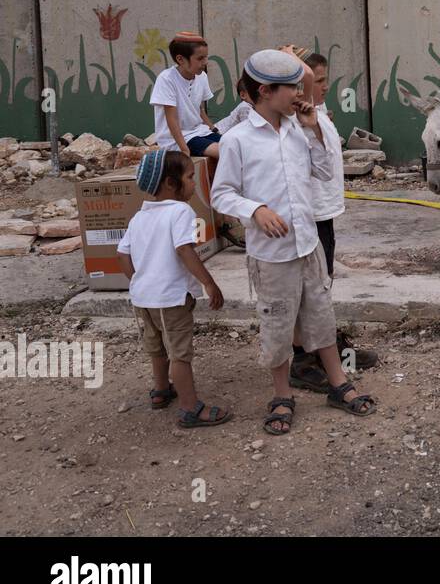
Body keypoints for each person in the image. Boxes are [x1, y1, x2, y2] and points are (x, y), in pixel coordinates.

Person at [210, 49, 377, 436]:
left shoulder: (297, 128)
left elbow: (322, 170)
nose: (301, 96)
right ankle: (282, 394)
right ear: (266, 91)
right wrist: (256, 210)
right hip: (271, 256)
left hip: (307, 244)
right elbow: (221, 194)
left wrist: (312, 127)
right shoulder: (237, 140)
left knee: (321, 315)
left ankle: (338, 384)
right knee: (278, 324)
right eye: (293, 90)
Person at [116, 149, 231, 428]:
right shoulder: (180, 210)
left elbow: (122, 254)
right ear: (170, 182)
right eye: (190, 177)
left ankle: (160, 391)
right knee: (180, 354)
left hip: (143, 299)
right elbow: (184, 249)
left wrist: (139, 281)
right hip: (170, 299)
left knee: (157, 348)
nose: (194, 183)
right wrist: (209, 282)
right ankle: (191, 408)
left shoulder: (140, 217)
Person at [289, 53, 379, 392]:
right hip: (309, 215)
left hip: (323, 213)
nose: (326, 86)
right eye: (319, 80)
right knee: (308, 288)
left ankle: (326, 344)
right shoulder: (295, 116)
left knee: (323, 283)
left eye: (326, 79)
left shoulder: (316, 113)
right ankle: (302, 358)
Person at [150, 31, 221, 163]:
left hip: (200, 132)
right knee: (225, 152)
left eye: (206, 57)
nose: (205, 62)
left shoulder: (202, 77)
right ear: (180, 59)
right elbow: (172, 119)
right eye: (200, 58)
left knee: (236, 147)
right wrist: (184, 150)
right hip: (180, 139)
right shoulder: (166, 79)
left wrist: (214, 129)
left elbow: (199, 110)